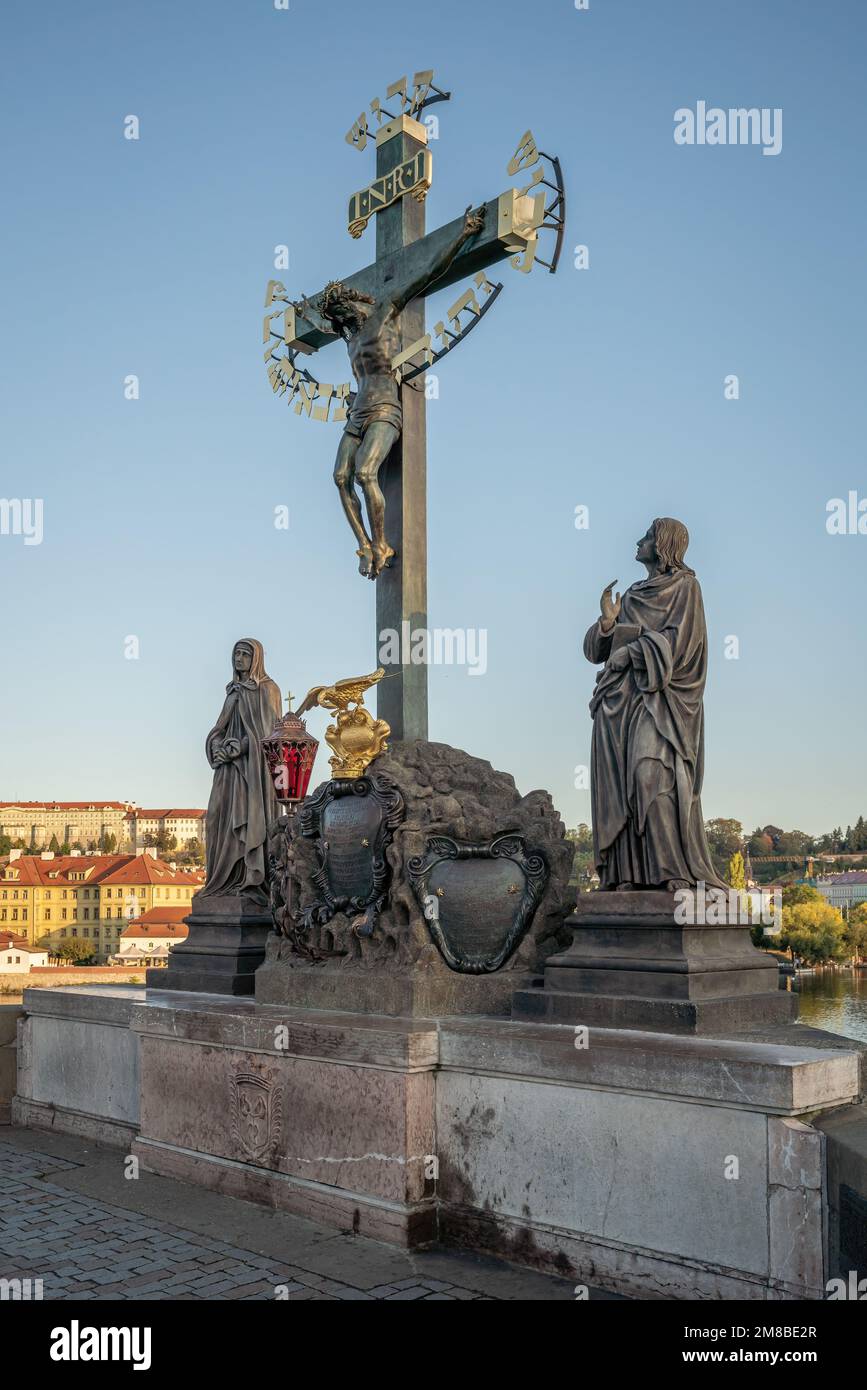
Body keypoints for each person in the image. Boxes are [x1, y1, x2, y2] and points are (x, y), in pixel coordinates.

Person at [313, 205, 486, 579]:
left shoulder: (385, 311)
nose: (341, 315)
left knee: (364, 474)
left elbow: (427, 271)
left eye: (342, 306)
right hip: (357, 412)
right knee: (340, 477)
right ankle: (364, 545)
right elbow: (313, 320)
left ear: (354, 299)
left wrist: (461, 234)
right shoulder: (350, 335)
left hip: (384, 408)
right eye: (336, 313)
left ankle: (382, 543)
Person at [583, 518, 726, 892]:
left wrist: (632, 652)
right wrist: (608, 623)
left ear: (662, 545)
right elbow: (597, 653)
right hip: (618, 706)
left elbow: (683, 646)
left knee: (651, 773)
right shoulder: (631, 596)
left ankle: (671, 869)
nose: (638, 541)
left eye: (646, 536)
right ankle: (625, 875)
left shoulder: (686, 589)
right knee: (619, 787)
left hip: (662, 705)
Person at [199, 638, 282, 903]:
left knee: (247, 819)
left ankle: (249, 879)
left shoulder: (268, 690)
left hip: (252, 772)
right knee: (215, 818)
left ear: (256, 658)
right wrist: (217, 746)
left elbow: (270, 736)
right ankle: (220, 882)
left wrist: (242, 747)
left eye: (245, 654)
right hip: (228, 771)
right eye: (236, 653)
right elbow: (218, 729)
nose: (239, 658)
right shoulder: (232, 692)